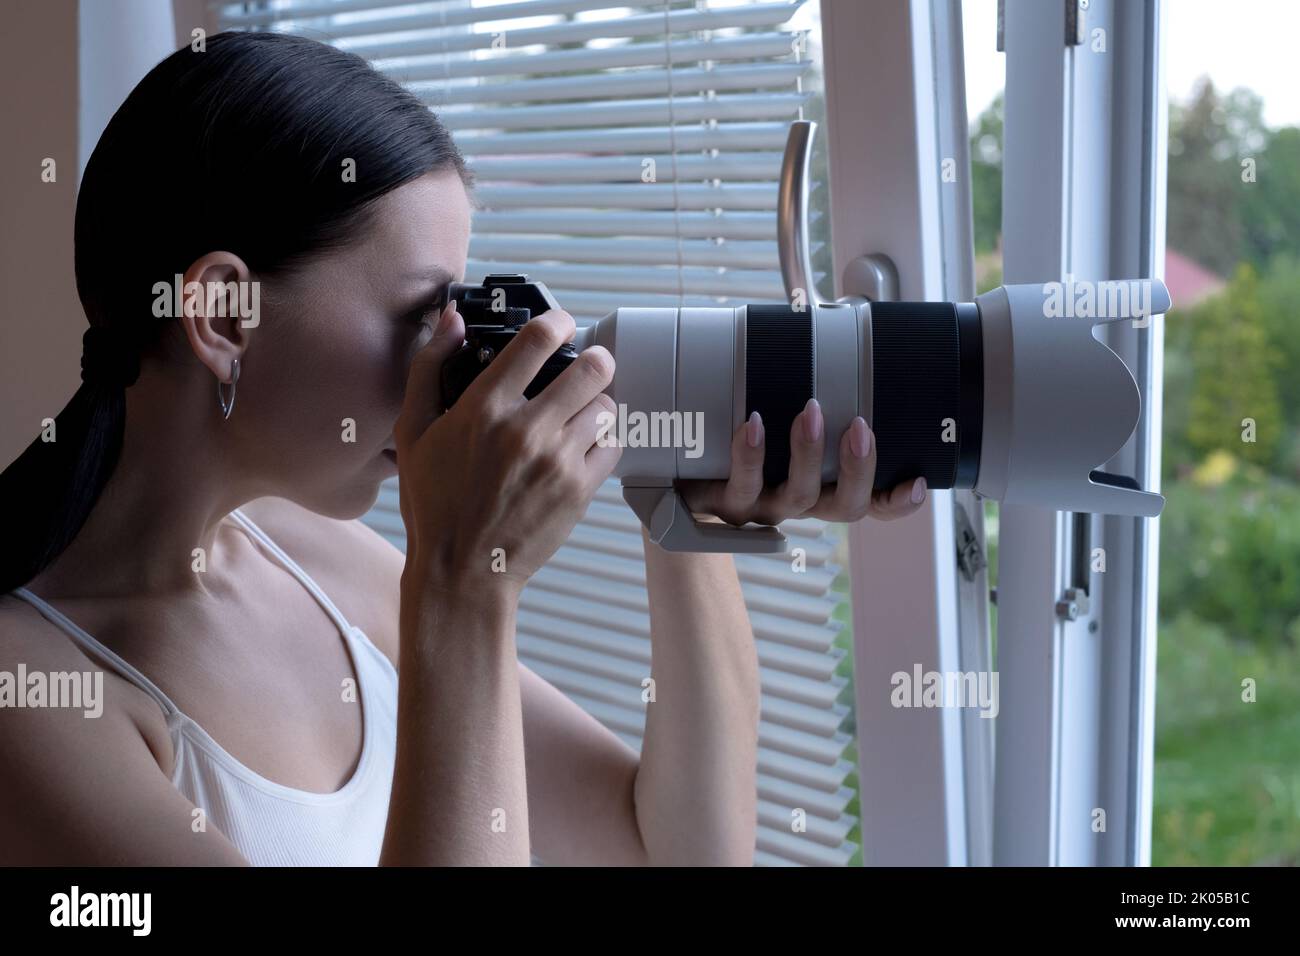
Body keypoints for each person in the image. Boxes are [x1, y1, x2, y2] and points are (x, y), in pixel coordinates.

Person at [0, 31, 926, 866]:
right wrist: (464, 587)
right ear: (223, 315)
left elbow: (677, 849)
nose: (450, 368)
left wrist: (678, 502)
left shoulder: (311, 558)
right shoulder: (31, 692)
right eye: (419, 316)